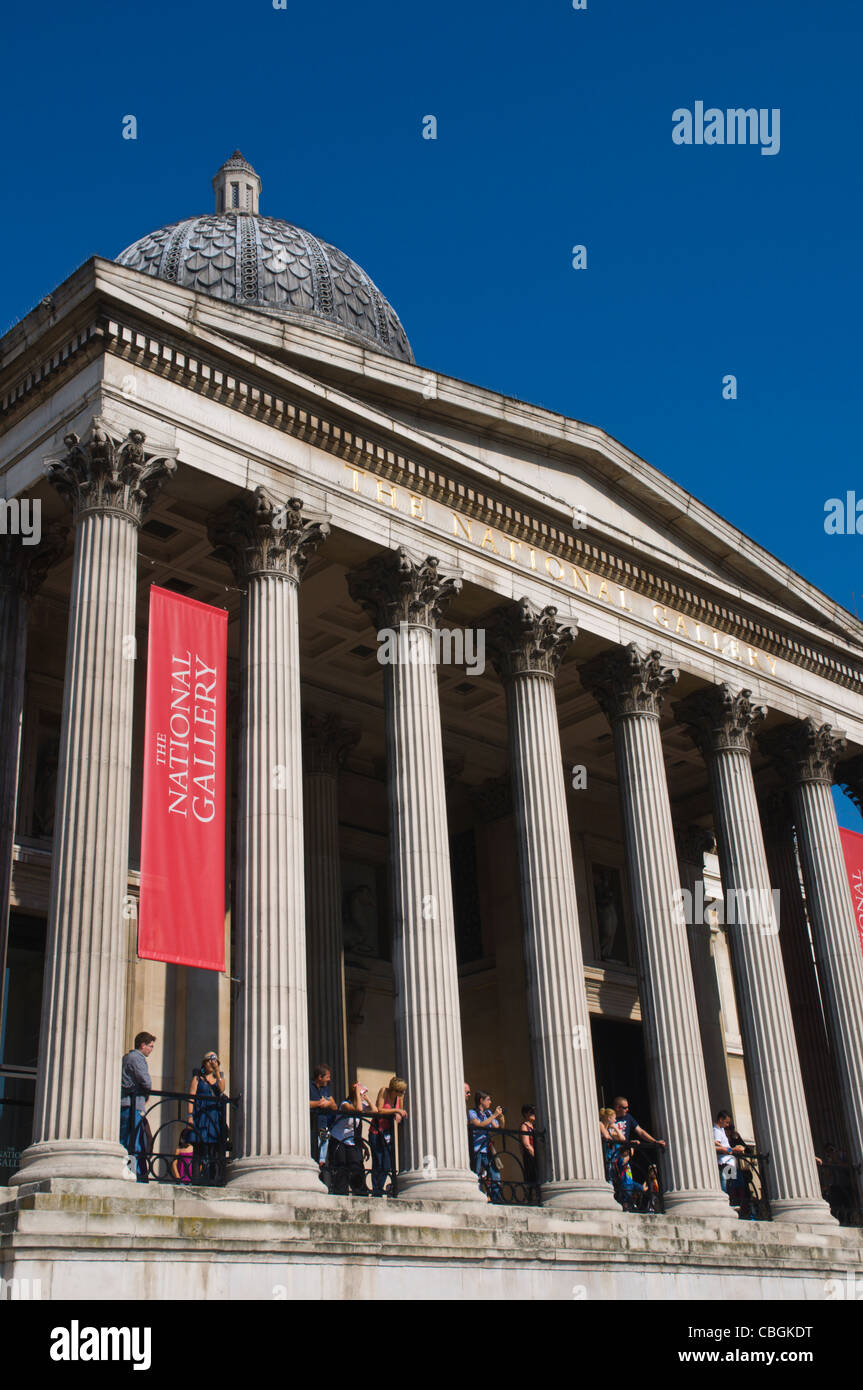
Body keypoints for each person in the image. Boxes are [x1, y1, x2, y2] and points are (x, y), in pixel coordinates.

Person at [120, 1032, 156, 1183]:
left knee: (125, 1139)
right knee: (135, 1141)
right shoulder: (137, 1058)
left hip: (125, 1103)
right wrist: (147, 1090)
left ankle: (127, 1171)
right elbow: (145, 1080)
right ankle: (134, 1173)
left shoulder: (126, 1058)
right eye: (150, 1046)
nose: (151, 1049)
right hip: (133, 1104)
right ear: (143, 1045)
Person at [329, 1082, 375, 1196]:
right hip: (338, 1139)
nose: (362, 1095)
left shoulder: (361, 1104)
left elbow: (375, 1110)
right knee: (341, 1167)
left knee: (357, 1166)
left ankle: (360, 1193)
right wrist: (357, 1093)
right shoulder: (345, 1104)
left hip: (351, 1141)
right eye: (361, 1093)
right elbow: (358, 1109)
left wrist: (366, 1098)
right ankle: (340, 1193)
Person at [188, 1051, 226, 1185]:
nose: (211, 1063)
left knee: (213, 1148)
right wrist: (190, 1117)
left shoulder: (219, 1077)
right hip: (201, 1115)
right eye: (209, 1060)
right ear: (204, 1062)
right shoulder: (198, 1078)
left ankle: (212, 1178)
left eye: (214, 1060)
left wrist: (217, 1070)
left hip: (214, 1115)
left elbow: (222, 1089)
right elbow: (191, 1097)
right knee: (199, 1147)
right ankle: (196, 1178)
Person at [369, 1077, 407, 1197]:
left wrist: (398, 1113)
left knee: (387, 1163)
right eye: (400, 1091)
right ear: (394, 1090)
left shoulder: (399, 1097)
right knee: (378, 1161)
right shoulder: (384, 1091)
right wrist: (395, 1110)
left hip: (387, 1132)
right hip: (376, 1131)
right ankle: (376, 1190)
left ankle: (380, 1187)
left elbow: (400, 1110)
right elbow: (379, 1109)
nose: (402, 1094)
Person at [468, 1091, 504, 1203]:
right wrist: (494, 1115)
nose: (490, 1102)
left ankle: (496, 1198)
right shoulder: (472, 1112)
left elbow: (498, 1127)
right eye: (488, 1099)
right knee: (477, 1174)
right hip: (477, 1149)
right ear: (481, 1100)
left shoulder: (488, 1113)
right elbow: (479, 1124)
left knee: (495, 1175)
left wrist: (501, 1117)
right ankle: (477, 1198)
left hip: (488, 1149)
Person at [310, 1063, 338, 1181]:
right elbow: (301, 1102)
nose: (329, 1079)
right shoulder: (308, 1086)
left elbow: (335, 1106)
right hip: (311, 1127)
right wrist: (319, 1104)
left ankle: (321, 1181)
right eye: (327, 1077)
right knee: (312, 1157)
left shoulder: (326, 1088)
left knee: (322, 1160)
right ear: (319, 1077)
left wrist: (328, 1103)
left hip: (323, 1126)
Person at [714, 1109, 745, 1194]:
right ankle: (729, 1199)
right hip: (724, 1161)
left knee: (734, 1182)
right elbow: (718, 1147)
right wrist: (735, 1149)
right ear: (721, 1120)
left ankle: (734, 1199)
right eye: (726, 1122)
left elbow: (722, 1146)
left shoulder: (721, 1129)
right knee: (727, 1183)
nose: (727, 1125)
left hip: (729, 1161)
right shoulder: (716, 1131)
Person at [519, 1104, 538, 1190]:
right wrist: (535, 1155)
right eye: (531, 1112)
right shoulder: (524, 1126)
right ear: (526, 1114)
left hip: (536, 1154)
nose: (533, 1114)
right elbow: (526, 1144)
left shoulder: (534, 1126)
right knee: (532, 1178)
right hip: (530, 1156)